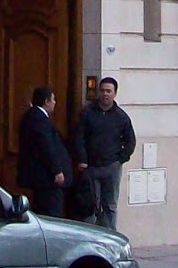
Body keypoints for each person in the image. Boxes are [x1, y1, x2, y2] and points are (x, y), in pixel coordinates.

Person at [72, 76, 136, 230]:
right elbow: (78, 137)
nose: (105, 94)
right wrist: (82, 159)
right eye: (102, 90)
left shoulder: (121, 117)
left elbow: (130, 141)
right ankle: (89, 237)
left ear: (115, 93)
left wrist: (120, 159)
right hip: (91, 167)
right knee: (89, 206)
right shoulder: (87, 113)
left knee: (110, 206)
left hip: (111, 167)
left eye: (109, 91)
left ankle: (109, 238)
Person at [16, 84, 72, 217]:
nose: (55, 102)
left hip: (42, 178)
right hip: (47, 179)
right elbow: (46, 147)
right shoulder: (38, 119)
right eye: (53, 99)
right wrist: (57, 171)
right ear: (46, 101)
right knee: (51, 213)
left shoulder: (34, 117)